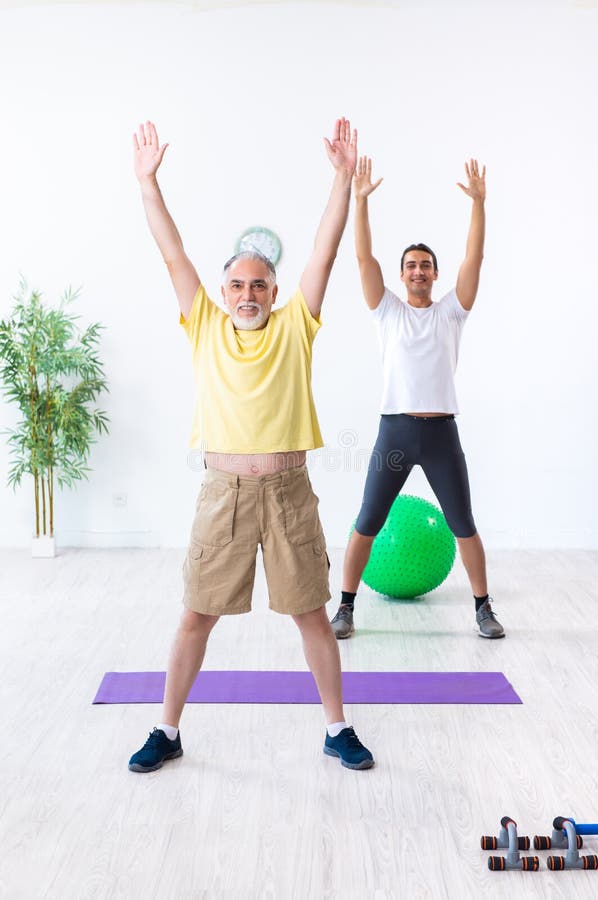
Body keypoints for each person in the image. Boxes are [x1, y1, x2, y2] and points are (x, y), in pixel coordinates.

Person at [128, 119, 374, 773]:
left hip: (289, 496)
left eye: (258, 284)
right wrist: (149, 184)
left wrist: (341, 180)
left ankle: (336, 729)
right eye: (236, 284)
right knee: (194, 619)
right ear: (222, 291)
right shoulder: (204, 324)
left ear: (273, 292)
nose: (246, 294)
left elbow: (321, 255)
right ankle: (167, 730)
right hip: (223, 496)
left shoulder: (296, 326)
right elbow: (172, 252)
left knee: (312, 617)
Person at [330, 155, 504, 641]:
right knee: (367, 520)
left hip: (441, 433)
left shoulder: (452, 312)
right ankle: (344, 608)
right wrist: (360, 202)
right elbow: (364, 260)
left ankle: (483, 608)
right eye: (411, 265)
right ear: (403, 275)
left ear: (434, 273)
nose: (418, 271)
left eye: (426, 265)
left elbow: (475, 259)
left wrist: (479, 205)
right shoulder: (387, 311)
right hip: (397, 431)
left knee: (464, 523)